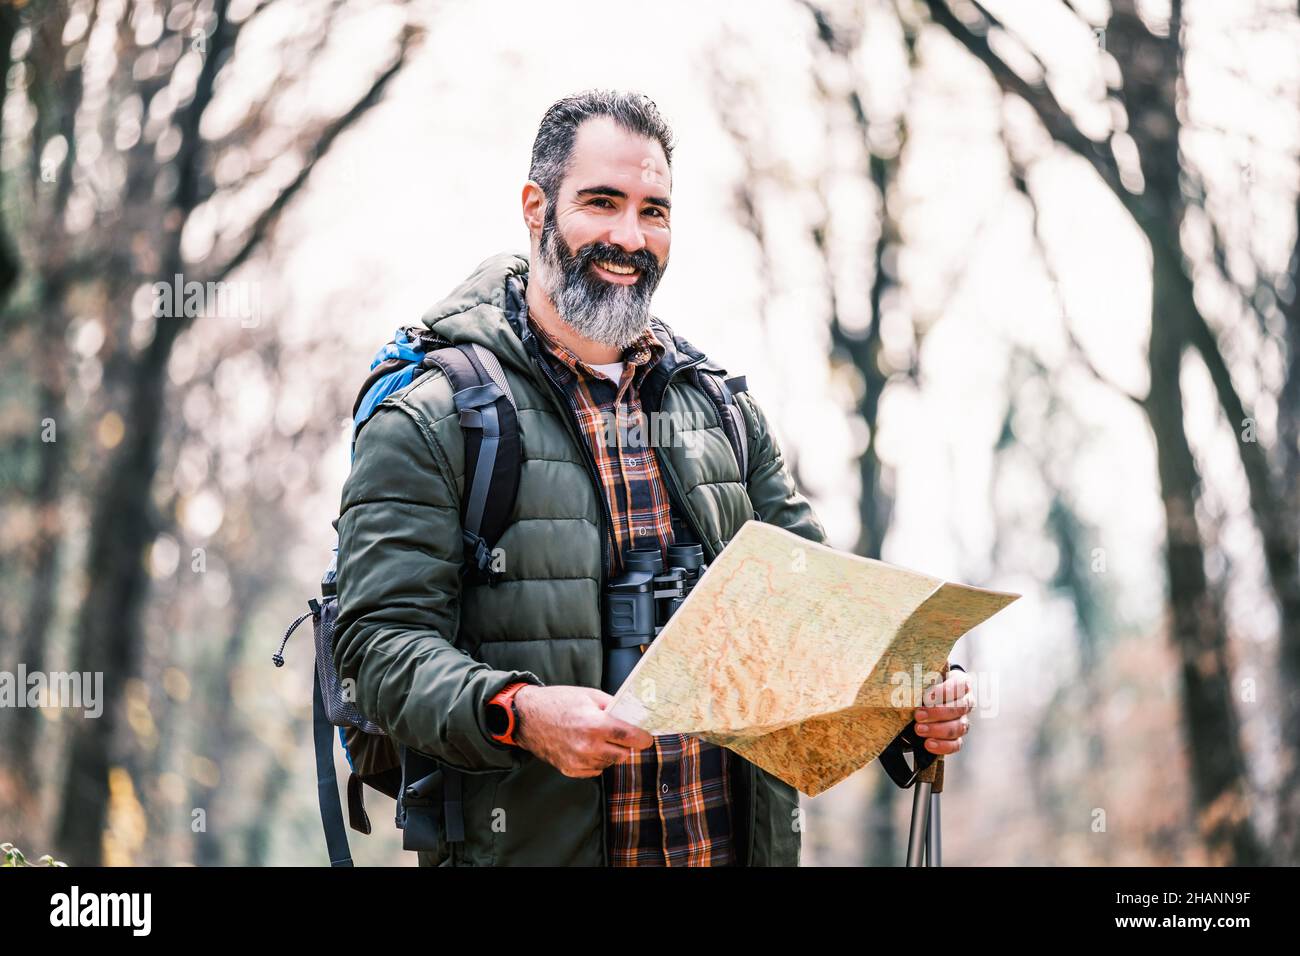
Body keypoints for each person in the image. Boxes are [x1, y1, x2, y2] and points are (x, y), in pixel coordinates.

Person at [332, 89, 973, 866]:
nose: (629, 237)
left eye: (654, 210)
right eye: (601, 203)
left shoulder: (722, 412)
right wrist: (519, 710)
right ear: (536, 206)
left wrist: (914, 700)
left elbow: (819, 618)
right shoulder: (434, 418)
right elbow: (377, 647)